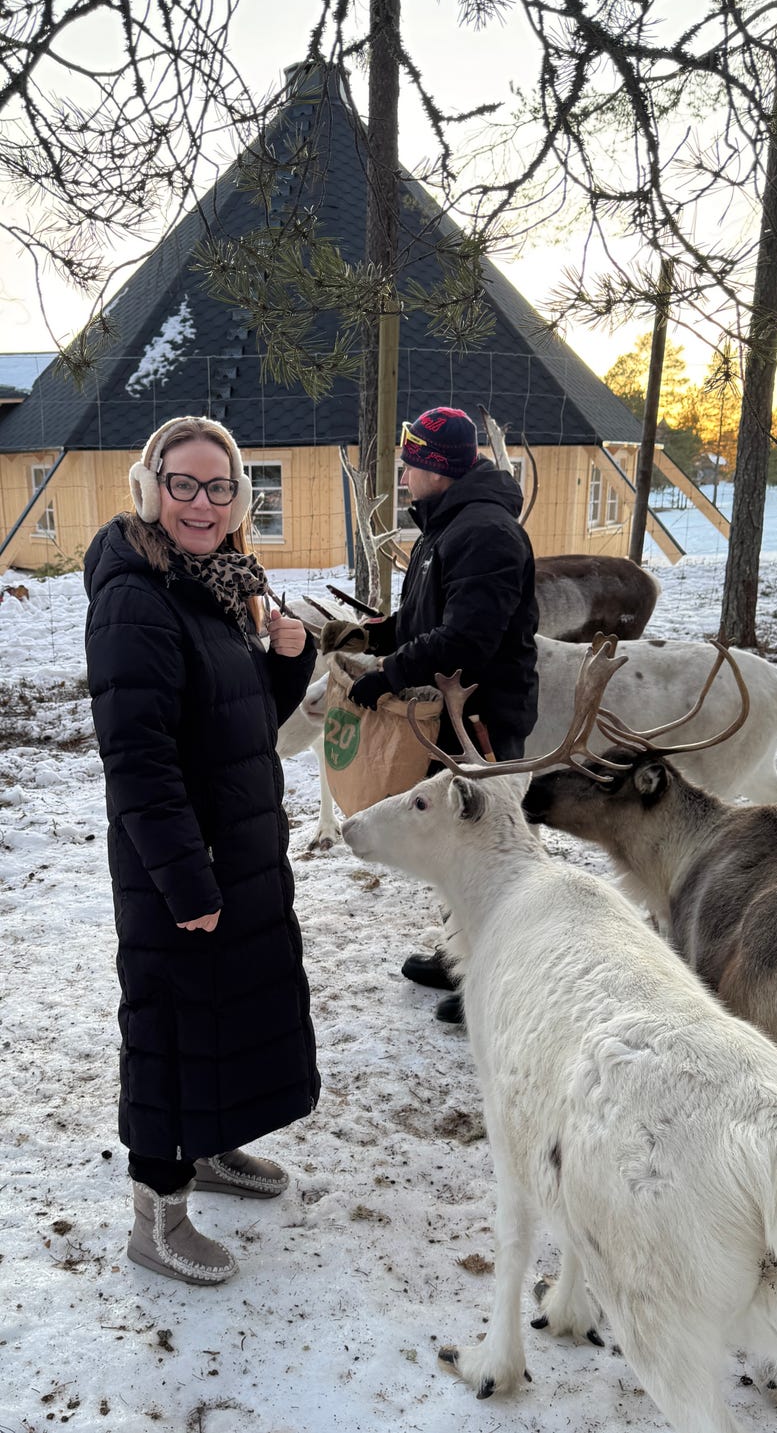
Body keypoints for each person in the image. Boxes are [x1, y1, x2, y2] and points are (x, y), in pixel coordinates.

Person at [84, 415, 320, 1286]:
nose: (202, 502)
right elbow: (138, 758)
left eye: (220, 487)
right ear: (150, 489)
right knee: (171, 1031)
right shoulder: (135, 598)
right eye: (182, 484)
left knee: (229, 1009)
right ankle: (158, 1217)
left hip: (233, 851)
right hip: (179, 865)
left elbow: (236, 714)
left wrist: (287, 661)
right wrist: (186, 879)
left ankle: (212, 1145)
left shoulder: (213, 585)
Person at [337, 406, 539, 1024]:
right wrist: (372, 635)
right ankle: (463, 955)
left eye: (410, 464)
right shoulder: (445, 529)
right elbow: (430, 621)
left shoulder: (484, 533)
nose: (402, 475)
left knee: (488, 848)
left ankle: (497, 971)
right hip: (445, 712)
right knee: (453, 840)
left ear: (438, 468)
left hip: (479, 718)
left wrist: (388, 674)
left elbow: (466, 640)